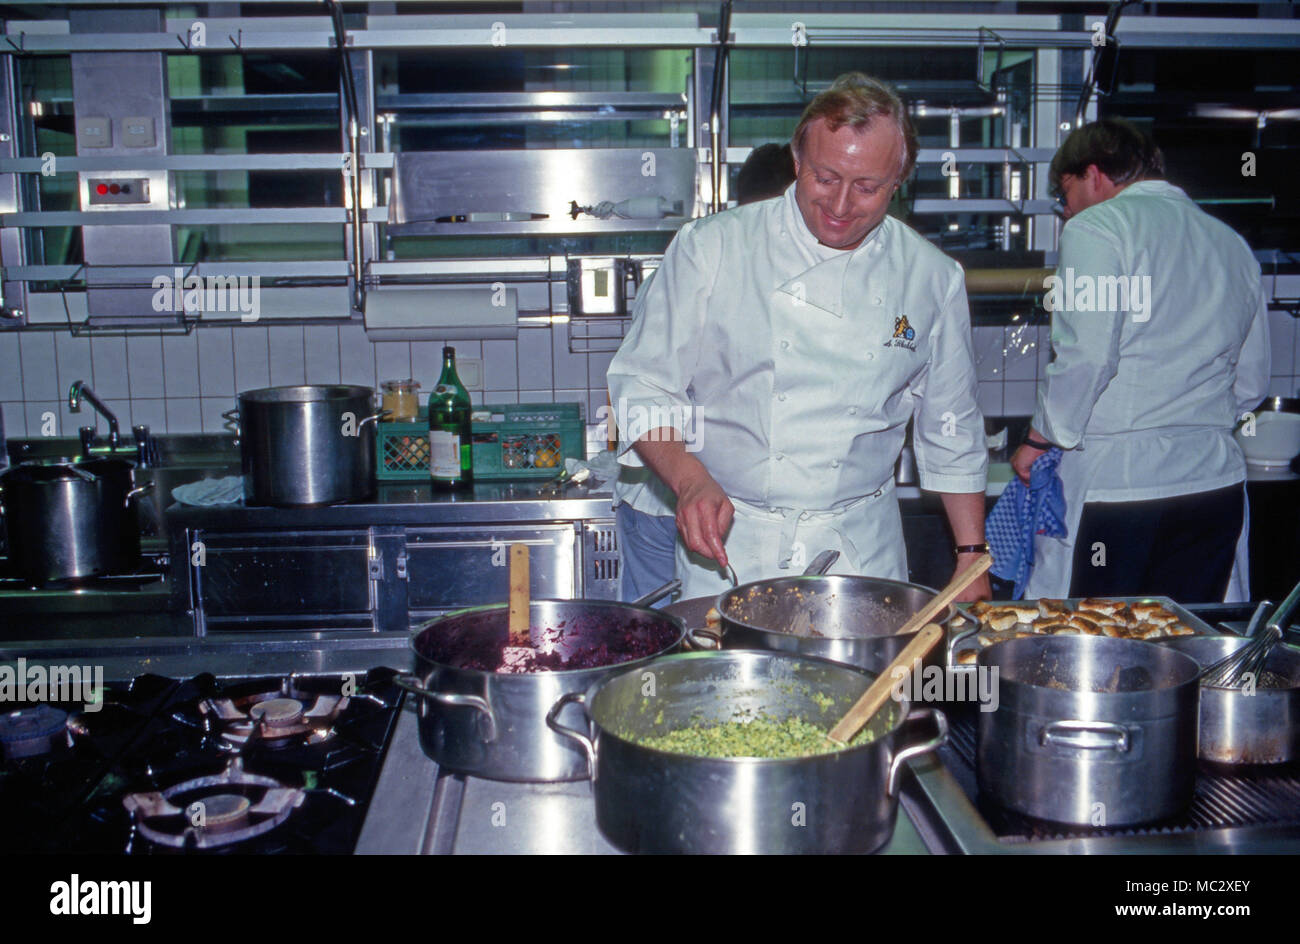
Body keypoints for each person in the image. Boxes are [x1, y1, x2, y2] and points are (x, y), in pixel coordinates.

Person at [607, 72, 990, 602]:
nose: (839, 205)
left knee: (866, 687)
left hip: (861, 548)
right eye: (825, 177)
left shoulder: (931, 277)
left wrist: (971, 555)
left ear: (898, 182)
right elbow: (644, 386)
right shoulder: (713, 249)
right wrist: (688, 479)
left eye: (867, 187)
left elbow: (953, 428)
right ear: (796, 160)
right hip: (732, 543)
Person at [1010, 118, 1269, 602]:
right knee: (1183, 646)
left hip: (1119, 490)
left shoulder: (1098, 228)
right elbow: (1252, 382)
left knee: (1096, 647)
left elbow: (1087, 354)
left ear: (1093, 174)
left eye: (1065, 194)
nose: (1066, 211)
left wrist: (1041, 437)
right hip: (1214, 487)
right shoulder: (1231, 243)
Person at [612, 142, 798, 606]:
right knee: (668, 643)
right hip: (670, 499)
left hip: (700, 499)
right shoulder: (702, 262)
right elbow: (647, 387)